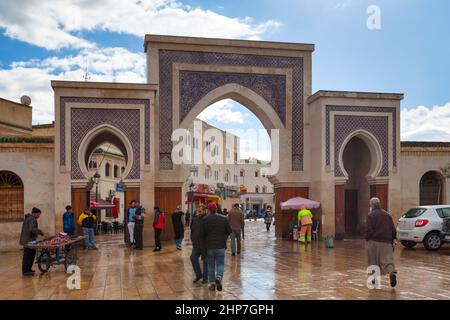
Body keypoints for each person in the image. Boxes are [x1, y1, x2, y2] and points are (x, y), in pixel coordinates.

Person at [366, 197, 398, 287]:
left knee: (373, 260)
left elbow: (369, 230)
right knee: (388, 260)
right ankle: (392, 273)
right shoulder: (387, 215)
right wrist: (393, 239)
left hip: (374, 241)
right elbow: (393, 229)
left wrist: (367, 239)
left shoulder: (370, 215)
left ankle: (374, 280)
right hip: (387, 241)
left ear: (372, 205)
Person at [202, 202, 232, 291]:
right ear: (216, 209)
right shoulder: (224, 218)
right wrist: (223, 236)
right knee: (220, 263)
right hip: (221, 245)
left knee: (211, 265)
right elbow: (229, 231)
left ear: (208, 210)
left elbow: (202, 234)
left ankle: (212, 284)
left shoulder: (205, 219)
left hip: (209, 246)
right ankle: (219, 276)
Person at [19, 207, 44, 276]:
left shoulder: (29, 218)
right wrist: (40, 232)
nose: (39, 216)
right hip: (28, 241)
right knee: (28, 255)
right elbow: (32, 229)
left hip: (29, 240)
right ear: (35, 213)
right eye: (39, 214)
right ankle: (25, 271)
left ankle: (28, 269)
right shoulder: (32, 219)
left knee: (31, 254)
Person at [190, 204, 208, 284]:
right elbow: (192, 229)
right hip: (196, 243)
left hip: (205, 244)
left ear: (204, 210)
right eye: (198, 211)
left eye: (200, 211)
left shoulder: (207, 219)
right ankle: (198, 274)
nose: (199, 212)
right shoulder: (195, 219)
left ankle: (205, 277)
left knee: (205, 261)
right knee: (193, 258)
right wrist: (192, 238)